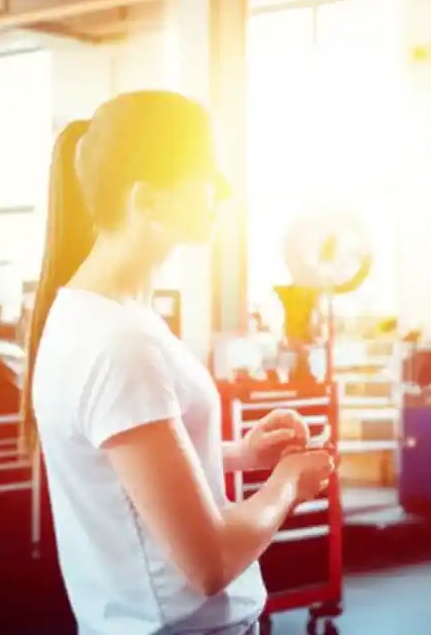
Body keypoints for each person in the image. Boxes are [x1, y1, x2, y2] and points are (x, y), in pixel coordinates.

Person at [22, 91, 335, 635]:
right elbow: (209, 561)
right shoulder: (120, 342)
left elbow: (124, 460)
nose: (225, 190)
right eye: (207, 175)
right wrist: (288, 483)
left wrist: (239, 454)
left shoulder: (95, 313)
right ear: (147, 200)